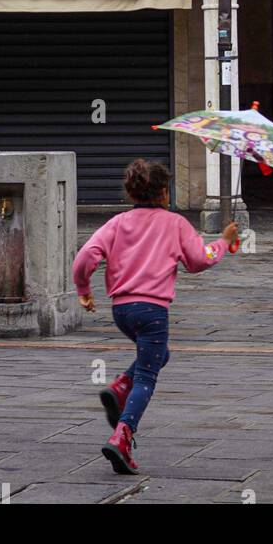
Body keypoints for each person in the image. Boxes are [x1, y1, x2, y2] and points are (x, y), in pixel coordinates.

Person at [73, 159, 240, 474]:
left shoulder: (117, 223)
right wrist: (223, 241)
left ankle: (121, 385)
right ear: (164, 192)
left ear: (131, 192)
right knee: (148, 376)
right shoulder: (175, 223)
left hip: (122, 310)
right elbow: (198, 261)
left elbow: (85, 257)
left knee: (159, 354)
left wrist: (84, 289)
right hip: (153, 311)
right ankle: (122, 435)